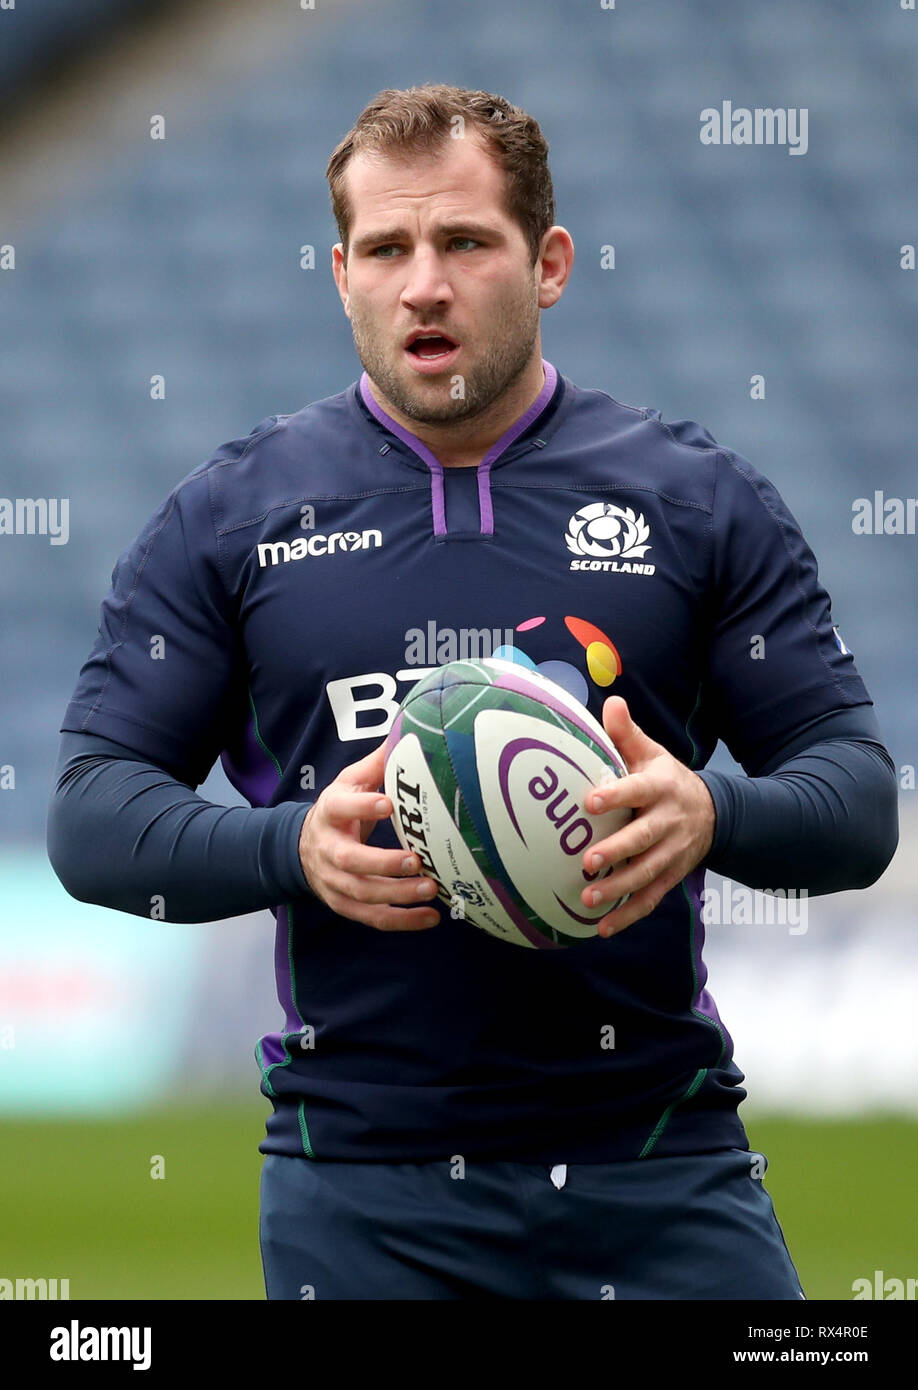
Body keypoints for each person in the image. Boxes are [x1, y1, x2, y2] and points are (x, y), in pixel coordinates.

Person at [47, 83, 898, 1301]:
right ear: (341, 272)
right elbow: (89, 814)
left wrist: (713, 816)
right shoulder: (228, 519)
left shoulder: (700, 503)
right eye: (386, 249)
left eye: (464, 243)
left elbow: (858, 801)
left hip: (659, 1168)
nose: (423, 285)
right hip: (362, 1193)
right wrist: (294, 849)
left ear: (548, 263)